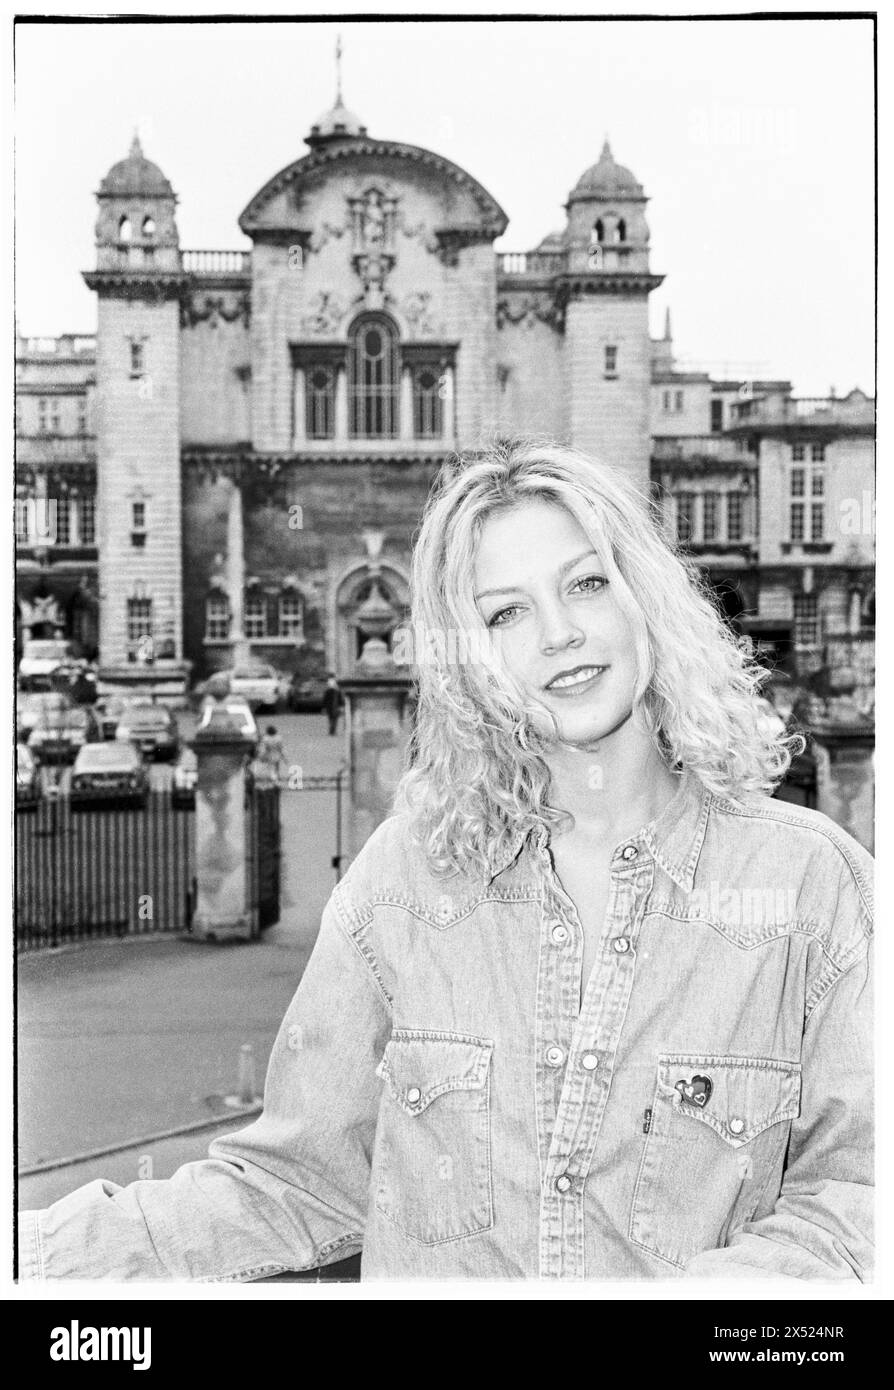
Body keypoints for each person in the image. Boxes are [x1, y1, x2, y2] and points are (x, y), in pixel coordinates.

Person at [18, 437, 873, 1282]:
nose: (559, 634)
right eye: (505, 612)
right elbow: (293, 1182)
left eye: (585, 583)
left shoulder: (812, 888)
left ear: (646, 597)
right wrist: (40, 1255)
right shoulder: (406, 879)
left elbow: (857, 1201)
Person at [322, 672, 343, 736]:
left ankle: (332, 730)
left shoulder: (329, 689)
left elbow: (325, 699)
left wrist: (324, 707)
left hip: (331, 706)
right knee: (333, 719)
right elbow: (340, 699)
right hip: (333, 705)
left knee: (332, 718)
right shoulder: (336, 689)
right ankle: (332, 730)